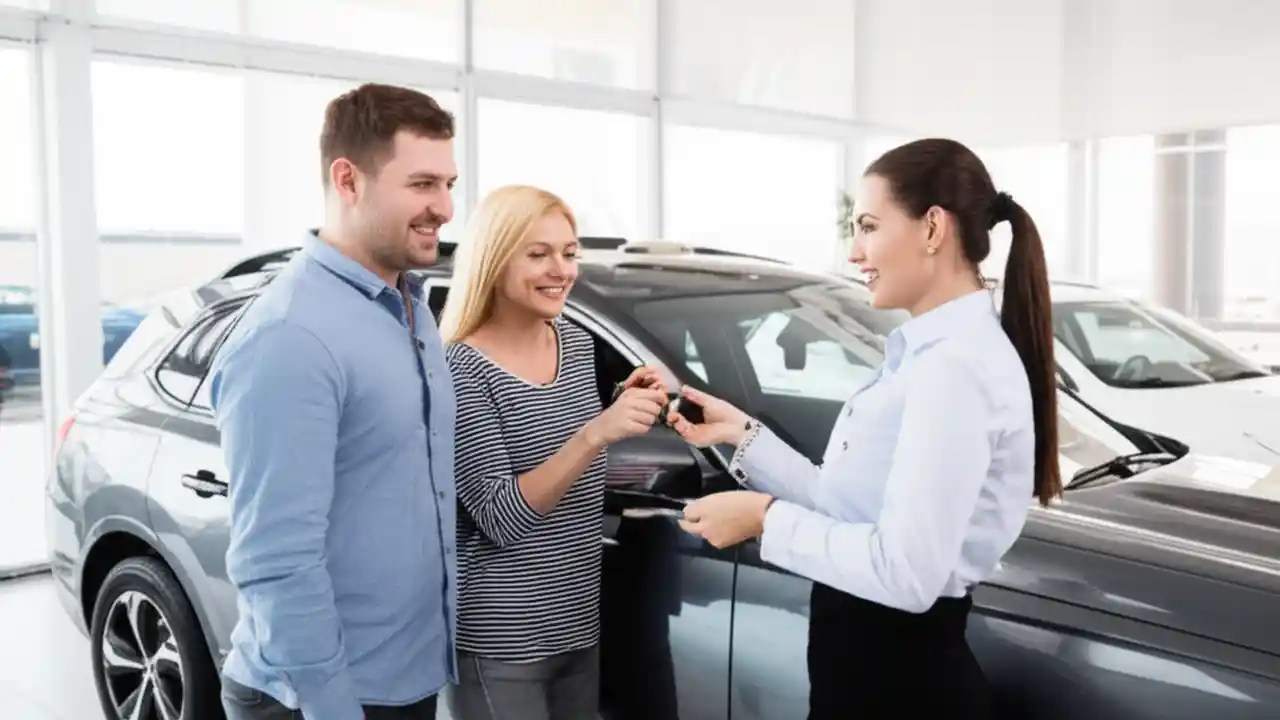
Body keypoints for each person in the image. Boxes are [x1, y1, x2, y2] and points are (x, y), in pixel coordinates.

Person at [666, 138, 1061, 718]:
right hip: (876, 675)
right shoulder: (933, 354)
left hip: (899, 688)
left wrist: (764, 518)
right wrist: (744, 436)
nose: (855, 253)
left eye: (869, 227)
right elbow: (849, 507)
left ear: (933, 229)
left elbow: (906, 573)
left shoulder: (953, 367)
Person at [209, 83, 460, 720]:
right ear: (348, 180)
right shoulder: (290, 335)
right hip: (321, 697)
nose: (445, 208)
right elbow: (276, 562)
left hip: (405, 679)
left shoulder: (410, 307)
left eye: (449, 184)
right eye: (423, 184)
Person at [438, 185, 668, 720]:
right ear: (494, 261)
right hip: (502, 640)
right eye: (538, 254)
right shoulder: (461, 368)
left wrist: (621, 401)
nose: (561, 270)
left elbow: (555, 444)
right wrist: (596, 433)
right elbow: (500, 517)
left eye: (569, 253)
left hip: (577, 626)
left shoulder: (575, 342)